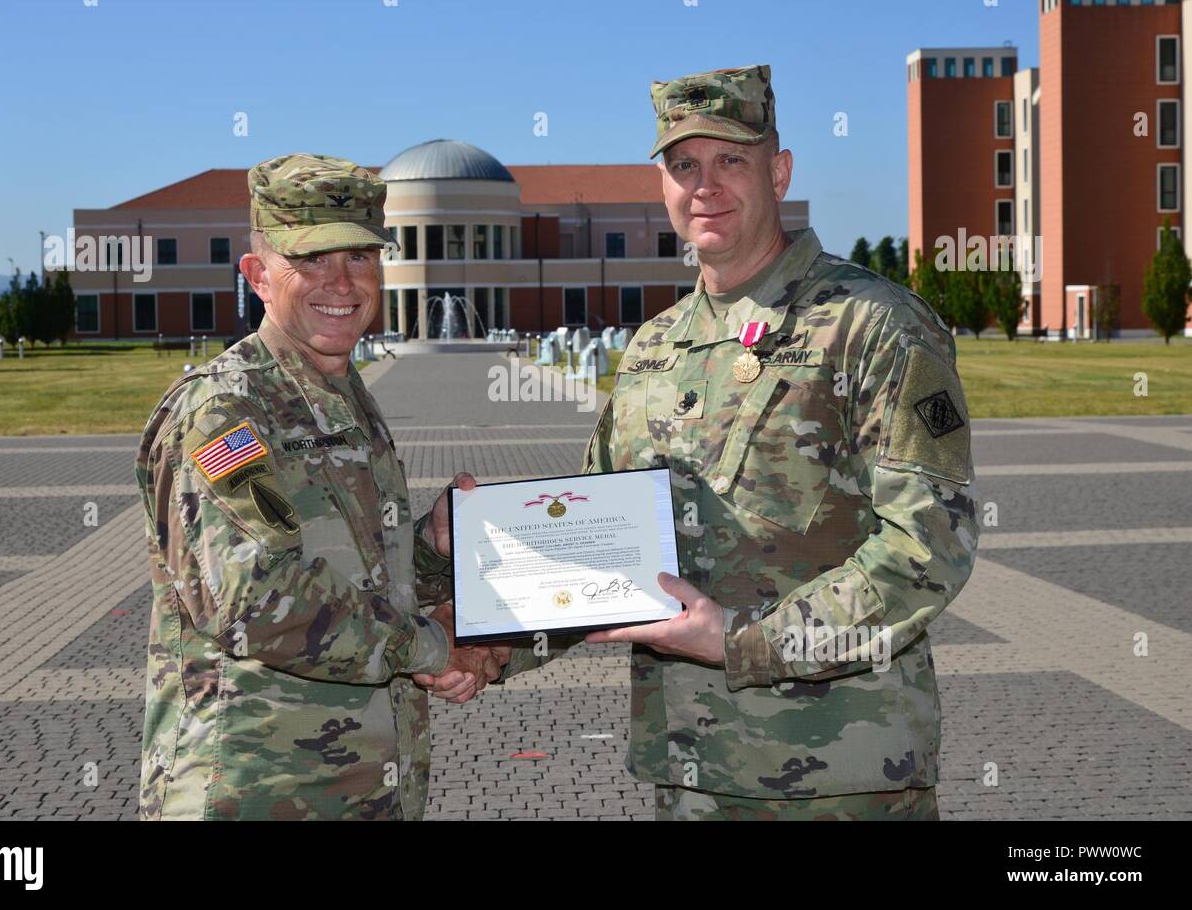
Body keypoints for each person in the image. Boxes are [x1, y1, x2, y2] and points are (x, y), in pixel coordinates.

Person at [501, 65, 979, 820]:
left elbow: (930, 545)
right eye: (684, 164)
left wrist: (740, 640)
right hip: (692, 769)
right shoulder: (656, 345)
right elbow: (598, 544)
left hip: (840, 774)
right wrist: (479, 640)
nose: (705, 185)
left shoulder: (873, 323)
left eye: (731, 159)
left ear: (779, 171)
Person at [135, 153, 502, 820]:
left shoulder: (340, 395)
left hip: (358, 789)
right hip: (256, 792)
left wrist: (430, 548)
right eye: (311, 259)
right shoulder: (226, 410)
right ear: (257, 275)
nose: (342, 281)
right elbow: (253, 597)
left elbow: (350, 573)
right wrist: (429, 645)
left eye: (360, 256)